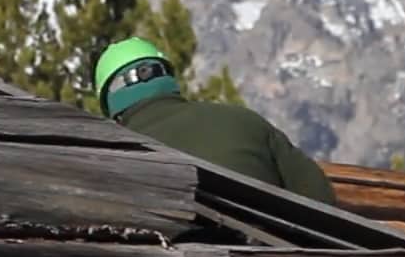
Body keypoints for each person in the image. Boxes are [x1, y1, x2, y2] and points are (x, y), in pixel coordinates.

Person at [94, 36, 337, 204]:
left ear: (111, 102)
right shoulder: (244, 120)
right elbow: (318, 196)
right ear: (167, 77)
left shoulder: (112, 156)